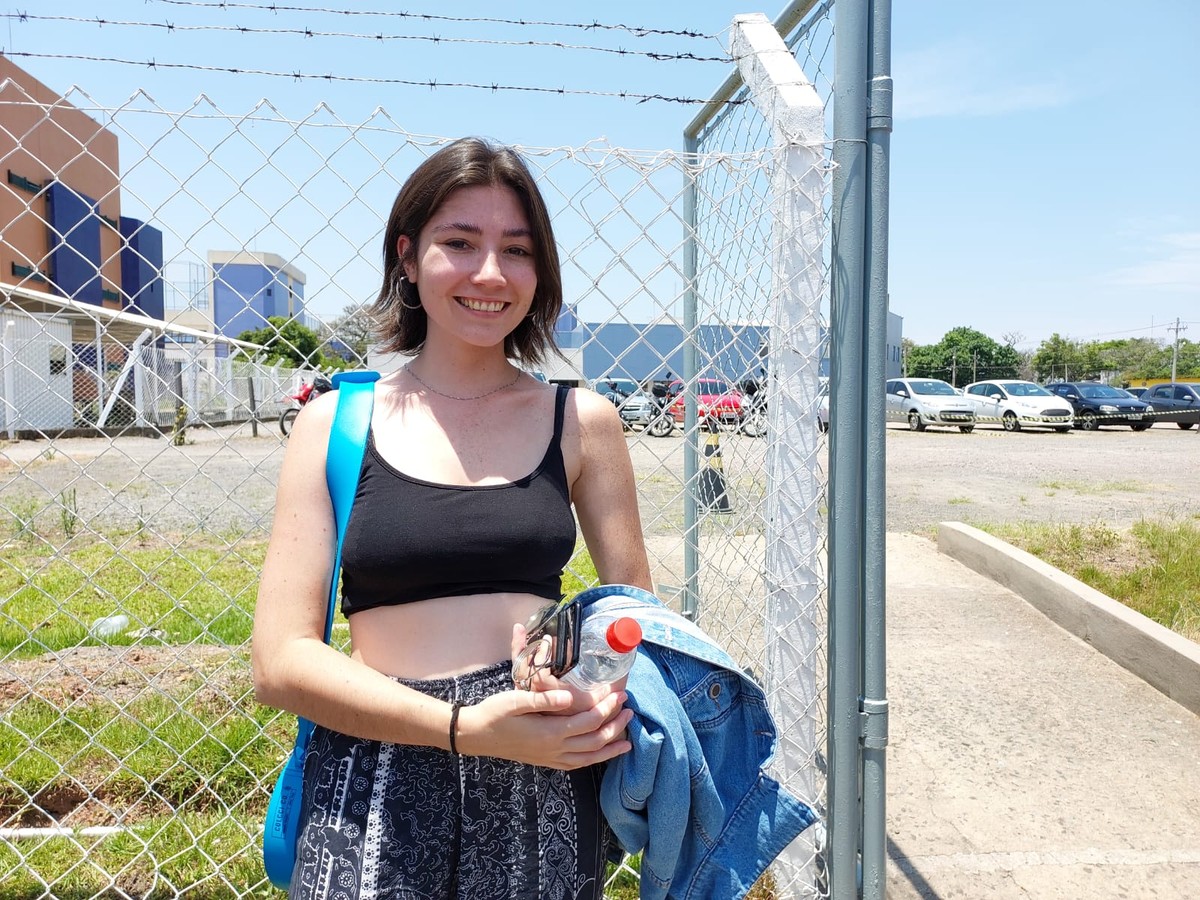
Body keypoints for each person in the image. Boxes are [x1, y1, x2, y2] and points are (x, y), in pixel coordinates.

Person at [252, 137, 654, 900]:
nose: (491, 274)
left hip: (538, 776)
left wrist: (569, 661)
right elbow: (278, 662)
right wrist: (463, 728)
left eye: (517, 250)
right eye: (459, 243)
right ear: (407, 256)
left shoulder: (584, 421)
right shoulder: (335, 424)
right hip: (374, 776)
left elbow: (637, 623)